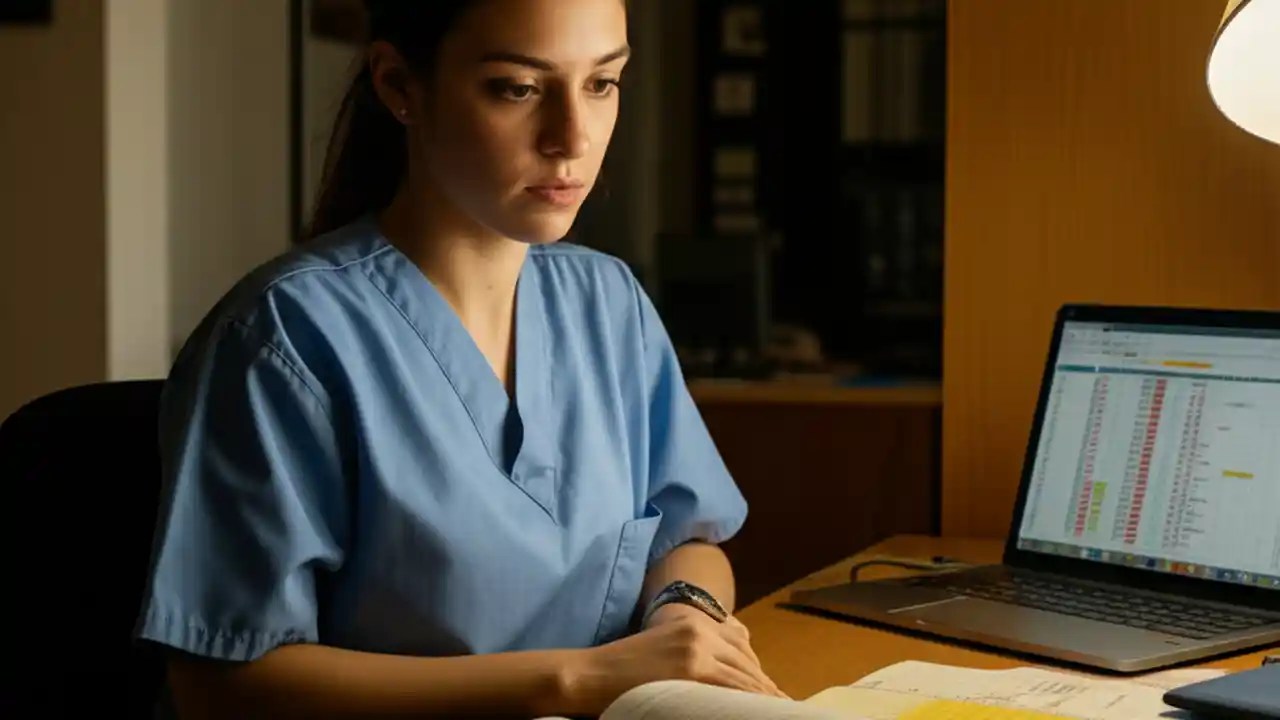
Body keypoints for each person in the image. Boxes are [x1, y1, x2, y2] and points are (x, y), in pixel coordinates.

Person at [133, 0, 785, 717]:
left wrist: (684, 613)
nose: (572, 138)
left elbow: (687, 537)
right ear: (399, 86)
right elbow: (221, 685)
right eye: (519, 88)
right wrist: (578, 679)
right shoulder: (285, 339)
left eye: (602, 83)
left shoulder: (610, 304)